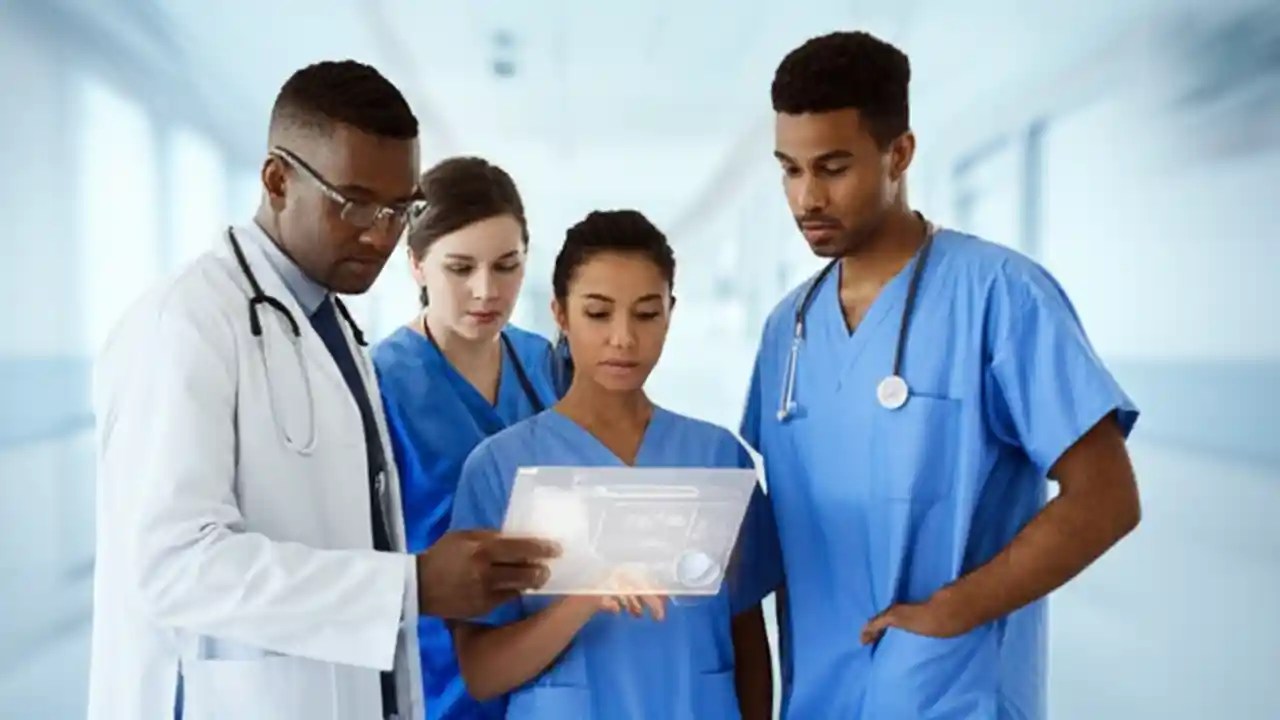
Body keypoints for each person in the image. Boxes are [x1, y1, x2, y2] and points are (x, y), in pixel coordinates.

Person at [87, 60, 557, 720]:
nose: (382, 233)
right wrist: (411, 585)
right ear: (277, 180)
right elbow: (172, 565)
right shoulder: (186, 324)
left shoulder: (331, 327)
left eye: (401, 209)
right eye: (356, 204)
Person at [742, 31, 1143, 719]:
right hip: (819, 694)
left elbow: (1106, 499)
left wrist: (956, 610)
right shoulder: (790, 329)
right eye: (790, 169)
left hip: (945, 688)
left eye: (833, 167)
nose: (806, 197)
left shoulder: (1000, 294)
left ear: (899, 154)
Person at [448, 210, 781, 719]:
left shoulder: (718, 458)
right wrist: (584, 597)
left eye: (646, 314)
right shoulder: (500, 468)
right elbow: (482, 672)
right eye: (599, 314)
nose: (623, 338)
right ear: (560, 313)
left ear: (671, 311)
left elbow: (749, 646)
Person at [372, 156, 558, 720]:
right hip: (434, 678)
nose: (486, 290)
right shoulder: (377, 382)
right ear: (416, 265)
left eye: (507, 266)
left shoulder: (542, 362)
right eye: (460, 267)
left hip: (545, 668)